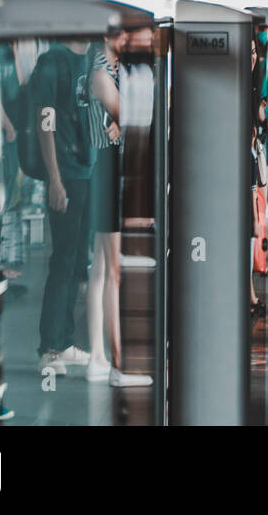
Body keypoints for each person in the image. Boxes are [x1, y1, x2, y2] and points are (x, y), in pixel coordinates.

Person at [83, 32, 151, 387]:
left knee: (100, 267)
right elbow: (130, 114)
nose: (129, 37)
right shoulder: (98, 70)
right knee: (114, 270)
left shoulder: (112, 69)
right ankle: (119, 364)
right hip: (104, 169)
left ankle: (98, 356)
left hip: (106, 168)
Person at [32, 39, 98, 376]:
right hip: (66, 174)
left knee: (77, 262)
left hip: (87, 171)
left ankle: (65, 339)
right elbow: (45, 120)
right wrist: (53, 178)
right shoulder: (53, 61)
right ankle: (49, 347)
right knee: (63, 260)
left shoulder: (93, 56)